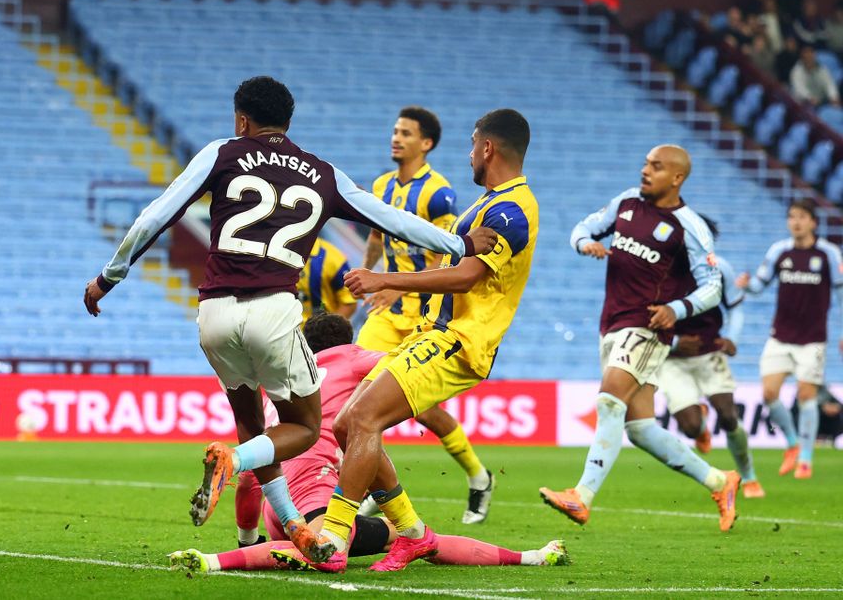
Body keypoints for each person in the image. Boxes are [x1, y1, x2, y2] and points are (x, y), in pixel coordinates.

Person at [82, 76, 498, 562]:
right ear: (288, 121)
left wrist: (108, 278)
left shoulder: (223, 152)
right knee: (302, 426)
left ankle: (295, 526)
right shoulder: (322, 172)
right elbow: (392, 220)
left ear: (242, 119)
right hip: (275, 310)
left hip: (213, 313)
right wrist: (461, 245)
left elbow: (157, 215)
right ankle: (235, 462)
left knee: (252, 423)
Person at [167, 312, 569, 574]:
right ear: (349, 339)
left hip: (280, 510)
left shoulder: (289, 383)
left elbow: (253, 484)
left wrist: (248, 536)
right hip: (316, 500)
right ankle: (530, 556)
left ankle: (240, 550)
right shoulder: (355, 358)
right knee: (408, 539)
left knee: (304, 512)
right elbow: (404, 375)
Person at [312, 109, 537, 572]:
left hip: (459, 340)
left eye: (473, 144)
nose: (470, 153)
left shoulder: (511, 210)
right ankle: (412, 533)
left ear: (488, 148)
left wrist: (385, 280)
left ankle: (333, 533)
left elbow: (467, 276)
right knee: (345, 424)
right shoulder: (488, 203)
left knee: (365, 417)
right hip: (431, 330)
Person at [539, 144, 741, 532]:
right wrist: (585, 243)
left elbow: (712, 286)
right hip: (612, 323)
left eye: (657, 166)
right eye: (646, 163)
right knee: (641, 429)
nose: (645, 170)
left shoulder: (690, 227)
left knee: (609, 400)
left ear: (677, 178)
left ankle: (582, 495)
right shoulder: (627, 202)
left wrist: (677, 310)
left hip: (649, 327)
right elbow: (582, 228)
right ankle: (720, 481)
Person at [356, 105, 494, 524]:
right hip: (386, 313)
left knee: (422, 409)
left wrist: (393, 283)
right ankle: (371, 487)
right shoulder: (381, 184)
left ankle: (478, 475)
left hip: (424, 315)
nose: (396, 138)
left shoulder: (439, 193)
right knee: (354, 396)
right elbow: (377, 237)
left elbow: (450, 254)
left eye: (406, 133)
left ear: (426, 143)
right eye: (395, 131)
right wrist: (375, 276)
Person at [655, 217, 764, 499]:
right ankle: (700, 426)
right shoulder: (658, 270)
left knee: (728, 416)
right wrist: (676, 342)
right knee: (690, 428)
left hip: (709, 353)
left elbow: (736, 307)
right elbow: (646, 314)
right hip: (671, 359)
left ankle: (749, 477)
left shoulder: (720, 269)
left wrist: (733, 339)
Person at [736, 198, 843, 479]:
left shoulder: (829, 254)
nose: (795, 222)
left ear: (813, 222)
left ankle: (806, 459)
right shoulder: (779, 251)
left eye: (802, 217)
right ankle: (793, 444)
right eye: (792, 216)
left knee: (807, 395)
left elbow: (841, 292)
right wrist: (747, 285)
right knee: (769, 393)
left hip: (813, 339)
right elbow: (760, 285)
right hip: (780, 336)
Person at [296, 238, 356, 325]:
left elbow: (349, 304)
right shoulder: (277, 242)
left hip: (308, 332)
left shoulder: (334, 260)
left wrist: (325, 330)